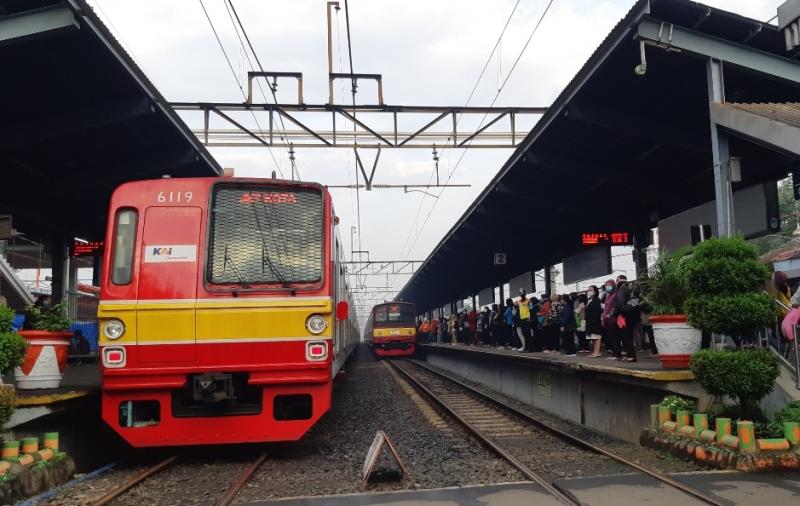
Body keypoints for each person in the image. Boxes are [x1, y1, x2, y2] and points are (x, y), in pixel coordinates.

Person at [601, 279, 619, 359]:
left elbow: (615, 306)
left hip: (613, 319)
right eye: (606, 285)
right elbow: (606, 307)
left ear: (613, 285)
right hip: (607, 319)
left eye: (609, 285)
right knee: (610, 337)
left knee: (615, 337)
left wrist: (610, 314)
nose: (607, 286)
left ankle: (617, 354)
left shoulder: (615, 295)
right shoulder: (608, 296)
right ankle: (613, 354)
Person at [585, 285, 603, 357]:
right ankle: (595, 351)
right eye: (588, 290)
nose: (589, 291)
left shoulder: (596, 300)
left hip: (595, 321)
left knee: (597, 337)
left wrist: (594, 320)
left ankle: (597, 352)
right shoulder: (589, 300)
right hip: (590, 321)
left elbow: (597, 312)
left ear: (595, 292)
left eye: (591, 290)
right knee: (593, 337)